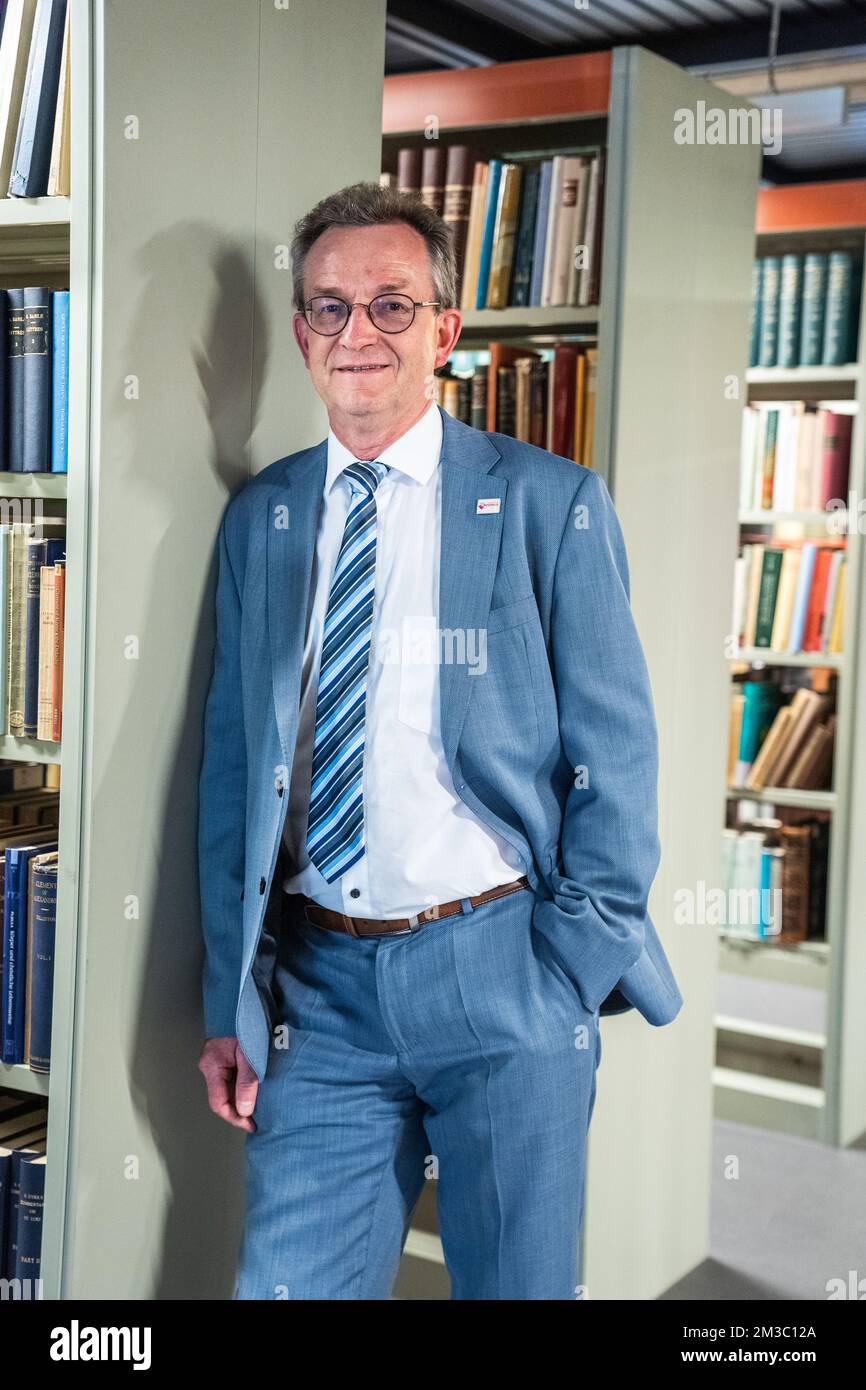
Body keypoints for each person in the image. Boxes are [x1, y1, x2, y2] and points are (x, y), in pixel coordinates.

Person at [196, 181, 683, 1300]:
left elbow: (617, 752)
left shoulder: (543, 503)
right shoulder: (260, 516)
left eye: (390, 305)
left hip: (503, 971)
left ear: (447, 332)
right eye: (327, 307)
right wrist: (233, 993)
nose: (355, 333)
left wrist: (569, 963)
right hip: (318, 992)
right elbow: (234, 774)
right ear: (300, 332)